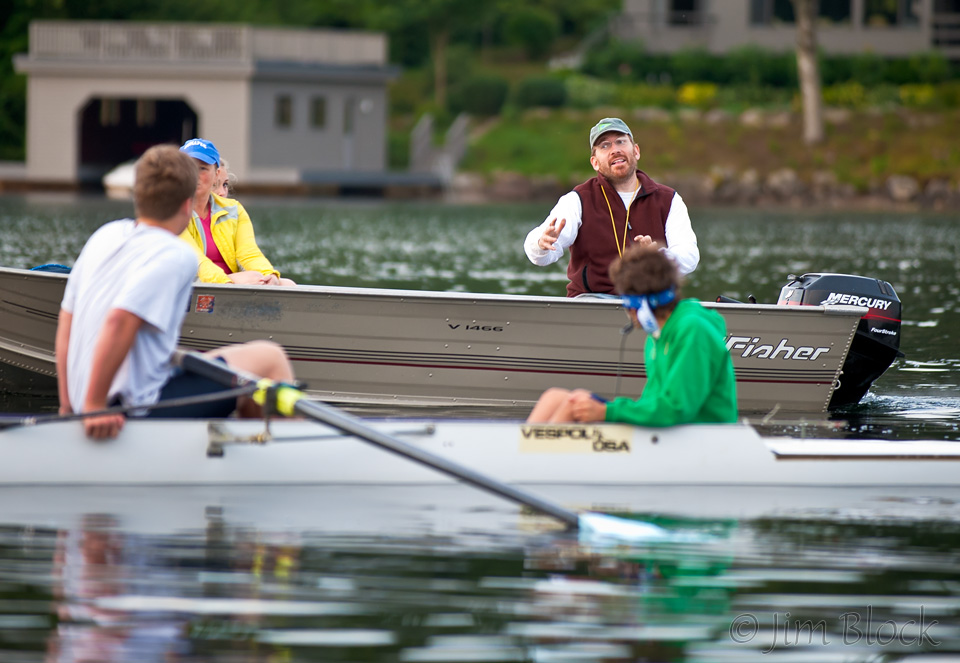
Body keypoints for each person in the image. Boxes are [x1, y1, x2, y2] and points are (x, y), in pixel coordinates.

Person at [55, 145, 296, 440]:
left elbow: (66, 320)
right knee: (269, 358)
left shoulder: (104, 235)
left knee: (242, 380)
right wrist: (94, 407)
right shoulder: (175, 254)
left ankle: (242, 454)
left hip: (84, 399)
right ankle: (283, 455)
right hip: (135, 407)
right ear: (186, 205)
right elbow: (119, 321)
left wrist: (69, 406)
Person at [526, 243, 736, 426]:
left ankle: (530, 464)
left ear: (642, 305)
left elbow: (676, 410)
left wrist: (607, 412)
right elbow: (654, 401)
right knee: (554, 397)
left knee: (572, 407)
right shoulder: (657, 334)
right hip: (670, 429)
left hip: (701, 439)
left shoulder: (693, 330)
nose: (627, 311)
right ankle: (525, 460)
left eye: (626, 302)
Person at [524, 117, 699, 297]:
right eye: (605, 146)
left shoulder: (669, 199)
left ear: (636, 151)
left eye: (621, 142)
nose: (615, 150)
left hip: (651, 302)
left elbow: (689, 256)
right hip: (593, 302)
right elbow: (539, 256)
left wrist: (659, 258)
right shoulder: (577, 199)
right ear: (595, 162)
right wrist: (541, 244)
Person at [178, 138, 296, 287]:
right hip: (190, 283)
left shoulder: (234, 209)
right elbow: (196, 261)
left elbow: (249, 253)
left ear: (216, 174)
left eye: (202, 168)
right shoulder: (171, 210)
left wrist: (269, 275)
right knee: (253, 279)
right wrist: (230, 281)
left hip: (230, 283)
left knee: (286, 284)